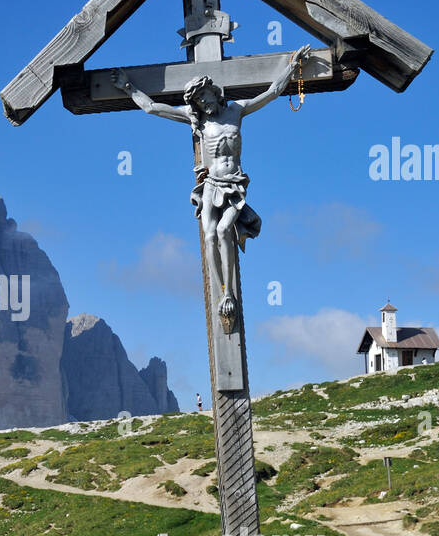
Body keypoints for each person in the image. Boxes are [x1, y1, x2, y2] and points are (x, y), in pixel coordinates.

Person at [112, 44, 312, 330]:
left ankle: (228, 290)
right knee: (209, 236)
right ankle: (222, 292)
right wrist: (128, 86)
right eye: (197, 102)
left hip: (234, 185)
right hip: (211, 184)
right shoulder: (199, 122)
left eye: (204, 98)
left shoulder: (236, 111)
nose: (203, 105)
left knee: (223, 231)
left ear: (213, 92)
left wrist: (292, 69)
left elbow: (271, 93)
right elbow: (152, 108)